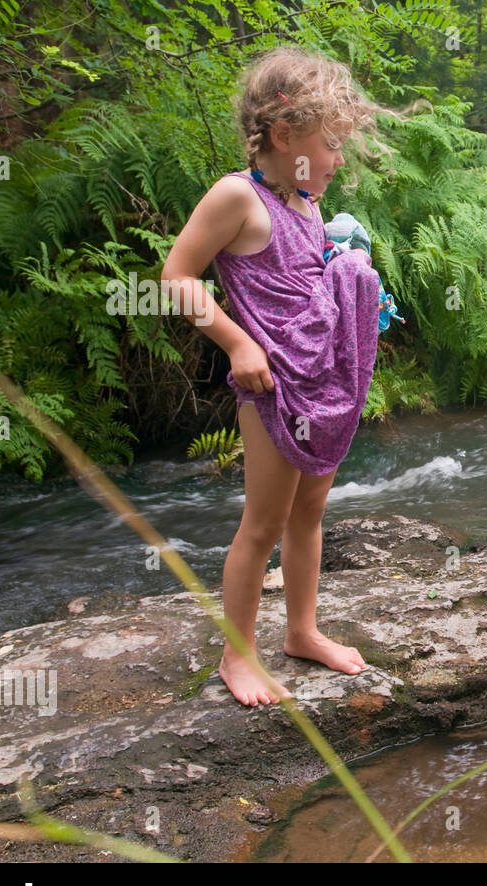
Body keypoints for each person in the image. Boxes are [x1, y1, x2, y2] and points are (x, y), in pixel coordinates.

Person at [161, 46, 397, 706]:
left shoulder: (308, 204)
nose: (338, 160)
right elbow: (176, 278)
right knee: (262, 522)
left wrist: (357, 290)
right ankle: (237, 656)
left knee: (310, 511)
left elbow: (311, 284)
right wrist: (237, 343)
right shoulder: (238, 197)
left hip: (322, 385)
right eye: (331, 144)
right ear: (286, 132)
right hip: (270, 390)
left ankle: (301, 629)